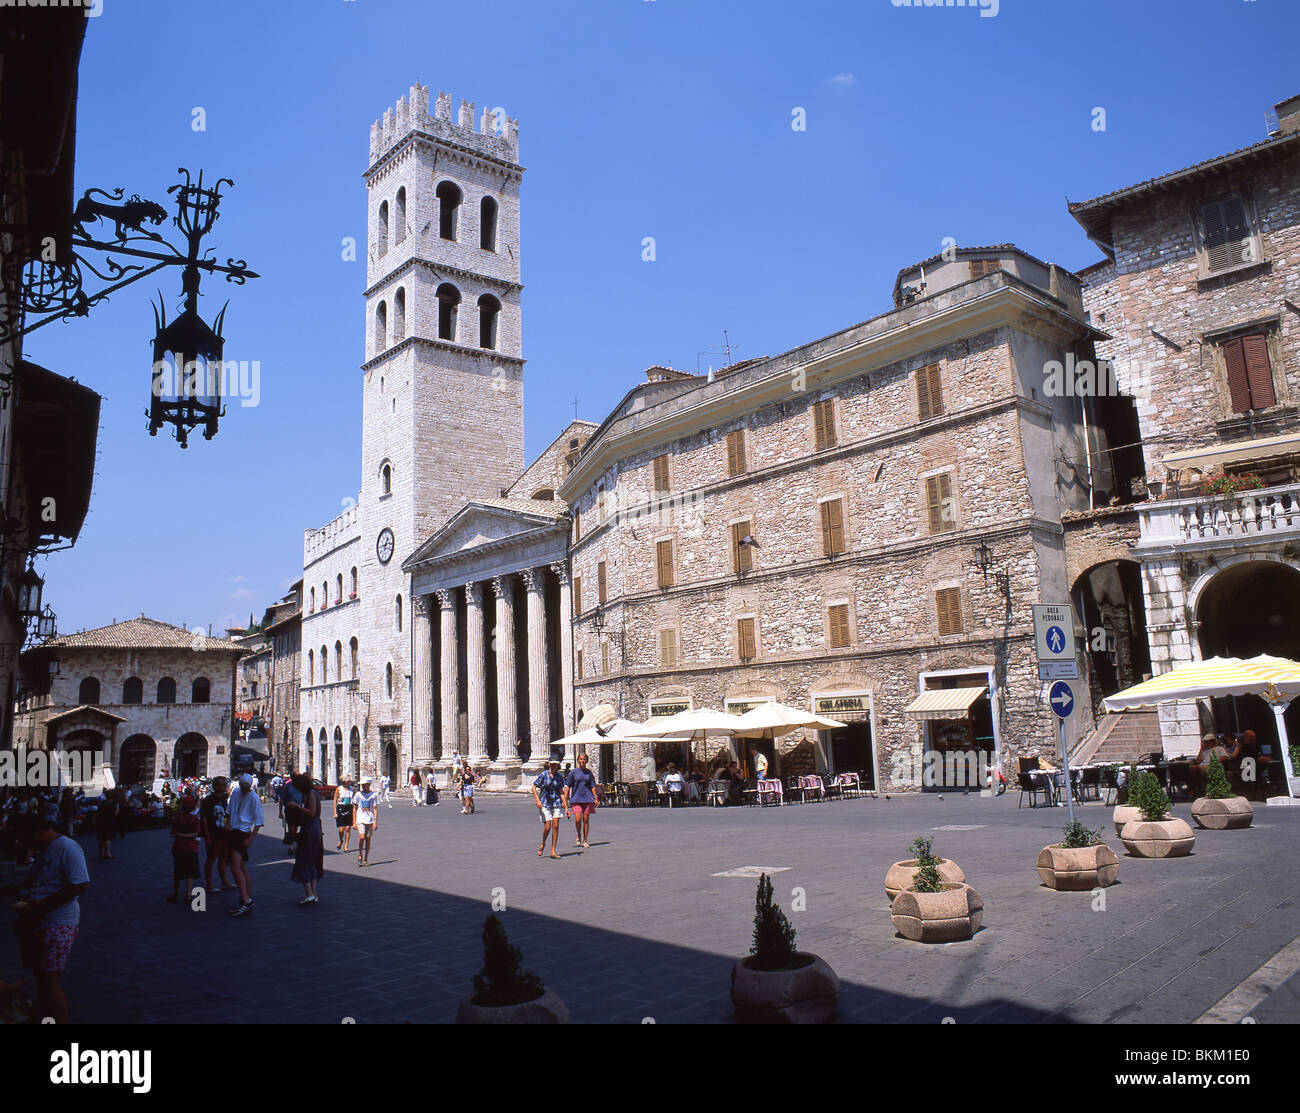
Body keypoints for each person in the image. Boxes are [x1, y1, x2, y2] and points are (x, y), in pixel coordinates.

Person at [13, 816, 90, 1024]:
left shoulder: (67, 848)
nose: (24, 844)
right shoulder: (45, 850)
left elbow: (81, 885)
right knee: (42, 979)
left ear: (38, 831)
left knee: (49, 981)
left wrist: (40, 906)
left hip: (58, 922)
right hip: (39, 921)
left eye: (25, 838)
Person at [225, 773, 265, 918]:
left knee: (235, 868)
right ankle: (246, 898)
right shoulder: (236, 792)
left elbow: (259, 821)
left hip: (242, 833)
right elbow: (230, 810)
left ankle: (245, 900)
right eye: (243, 787)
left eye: (247, 787)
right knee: (241, 867)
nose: (245, 790)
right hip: (234, 831)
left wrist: (250, 839)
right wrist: (227, 824)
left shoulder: (254, 798)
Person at [285, 774, 323, 904]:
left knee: (304, 859)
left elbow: (311, 813)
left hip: (310, 830)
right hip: (314, 828)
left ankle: (309, 893)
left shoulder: (311, 794)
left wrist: (297, 807)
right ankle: (314, 894)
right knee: (312, 860)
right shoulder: (313, 794)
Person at [199, 777, 232, 894]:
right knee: (211, 859)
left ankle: (224, 882)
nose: (224, 787)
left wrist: (228, 826)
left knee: (223, 858)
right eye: (222, 785)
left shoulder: (225, 799)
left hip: (224, 833)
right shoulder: (208, 800)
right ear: (215, 786)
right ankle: (210, 885)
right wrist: (207, 837)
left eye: (225, 784)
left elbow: (228, 814)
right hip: (213, 834)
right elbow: (204, 819)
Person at [532, 759, 568, 859]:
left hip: (556, 802)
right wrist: (538, 800)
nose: (554, 766)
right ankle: (543, 843)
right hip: (544, 802)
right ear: (549, 765)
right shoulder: (544, 774)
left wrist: (565, 804)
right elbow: (534, 787)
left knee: (555, 826)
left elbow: (561, 791)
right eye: (552, 765)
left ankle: (553, 851)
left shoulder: (559, 777)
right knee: (548, 826)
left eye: (556, 765)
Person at [168, 796, 201, 904]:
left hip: (178, 848)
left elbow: (173, 834)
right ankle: (188, 894)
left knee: (178, 872)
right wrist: (187, 836)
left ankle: (176, 894)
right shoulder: (194, 819)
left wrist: (181, 835)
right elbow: (196, 833)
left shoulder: (176, 818)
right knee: (189, 873)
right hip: (191, 848)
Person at [565, 751, 598, 848]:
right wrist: (566, 798)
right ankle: (578, 834)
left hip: (588, 798)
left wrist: (595, 798)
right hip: (576, 798)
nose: (582, 761)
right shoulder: (573, 772)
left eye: (584, 759)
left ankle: (585, 840)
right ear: (578, 760)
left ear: (586, 760)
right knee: (578, 820)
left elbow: (592, 786)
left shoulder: (589, 773)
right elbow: (568, 786)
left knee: (586, 820)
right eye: (581, 759)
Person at [353, 779, 378, 866]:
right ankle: (360, 854)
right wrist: (354, 821)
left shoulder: (374, 795)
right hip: (360, 818)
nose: (363, 786)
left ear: (369, 785)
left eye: (365, 785)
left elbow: (375, 808)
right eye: (362, 785)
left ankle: (366, 858)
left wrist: (375, 822)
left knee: (368, 838)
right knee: (362, 837)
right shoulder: (358, 794)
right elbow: (355, 807)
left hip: (370, 819)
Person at [333, 777, 355, 852]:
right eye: (348, 781)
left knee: (348, 828)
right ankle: (341, 840)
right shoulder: (339, 789)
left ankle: (346, 846)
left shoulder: (352, 789)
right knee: (341, 830)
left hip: (349, 808)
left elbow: (354, 800)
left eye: (350, 781)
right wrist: (335, 812)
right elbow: (335, 800)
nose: (349, 782)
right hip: (341, 808)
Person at [94, 791, 117, 861]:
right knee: (107, 838)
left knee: (101, 838)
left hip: (100, 822)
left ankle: (101, 853)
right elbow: (113, 814)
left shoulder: (101, 803)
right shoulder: (111, 804)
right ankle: (107, 853)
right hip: (108, 823)